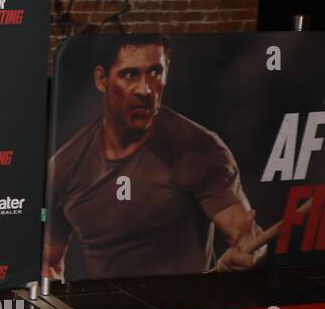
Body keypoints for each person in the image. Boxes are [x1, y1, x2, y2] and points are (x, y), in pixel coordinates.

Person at [44, 34, 265, 280]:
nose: (145, 89)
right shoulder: (65, 166)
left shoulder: (199, 149)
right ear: (101, 79)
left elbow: (248, 238)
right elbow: (49, 263)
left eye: (155, 72)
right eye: (129, 74)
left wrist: (249, 252)